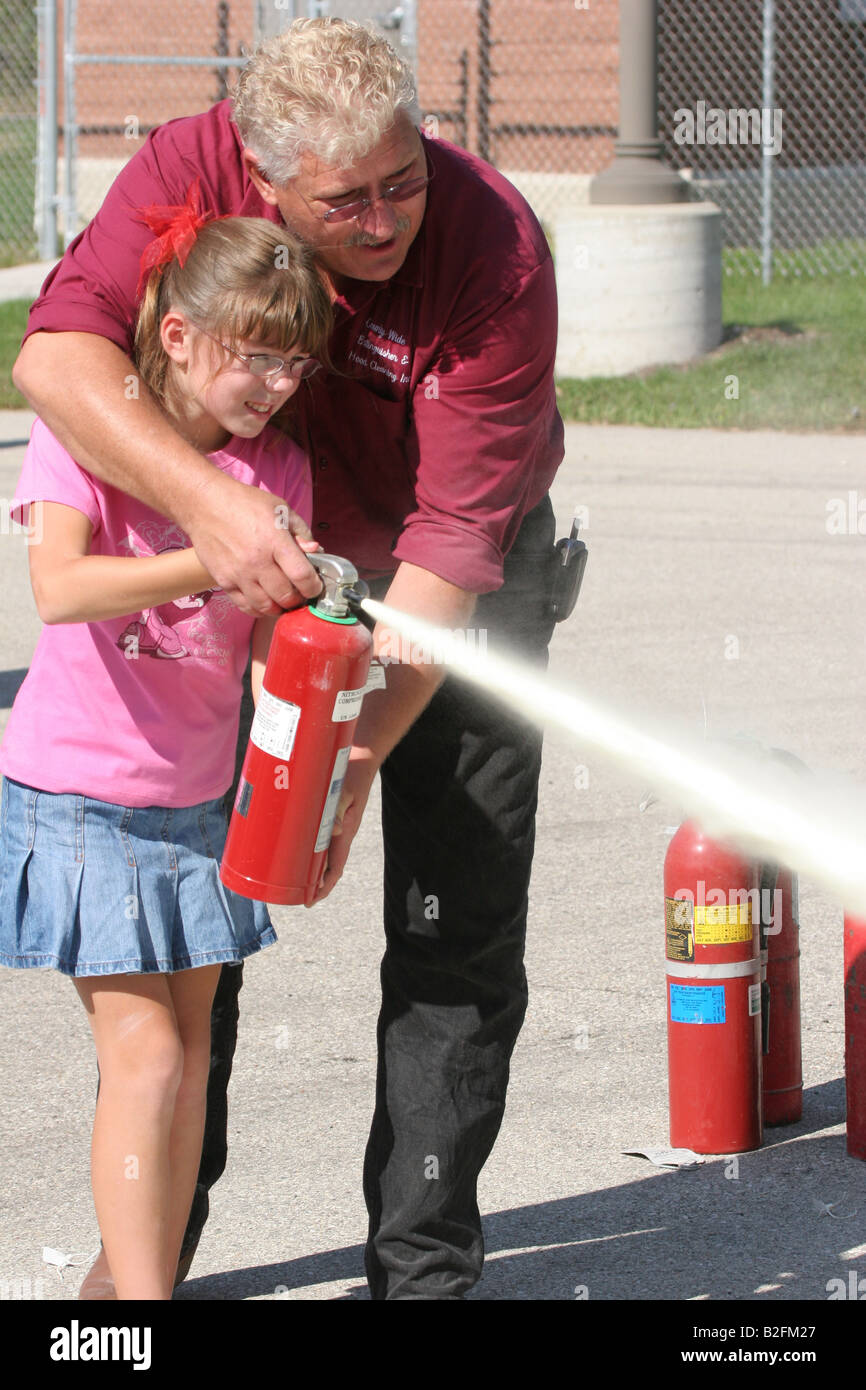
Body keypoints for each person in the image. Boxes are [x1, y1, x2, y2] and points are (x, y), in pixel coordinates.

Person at [13, 18, 565, 1300]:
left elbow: (448, 547)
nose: (384, 222)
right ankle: (148, 1271)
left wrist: (357, 749)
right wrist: (212, 513)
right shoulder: (187, 163)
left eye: (402, 179)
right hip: (256, 570)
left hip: (452, 580)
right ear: (260, 182)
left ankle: (419, 1272)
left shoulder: (493, 253)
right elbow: (58, 353)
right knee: (190, 969)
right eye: (345, 201)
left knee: (454, 929)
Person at [0, 208, 332, 1300]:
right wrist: (215, 543)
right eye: (255, 354)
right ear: (179, 336)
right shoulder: (87, 428)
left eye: (295, 361)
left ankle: (136, 1297)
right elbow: (60, 588)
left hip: (199, 805)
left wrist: (317, 619)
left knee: (187, 1069)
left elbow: (267, 654)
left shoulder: (277, 467)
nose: (277, 382)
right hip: (83, 800)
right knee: (143, 1062)